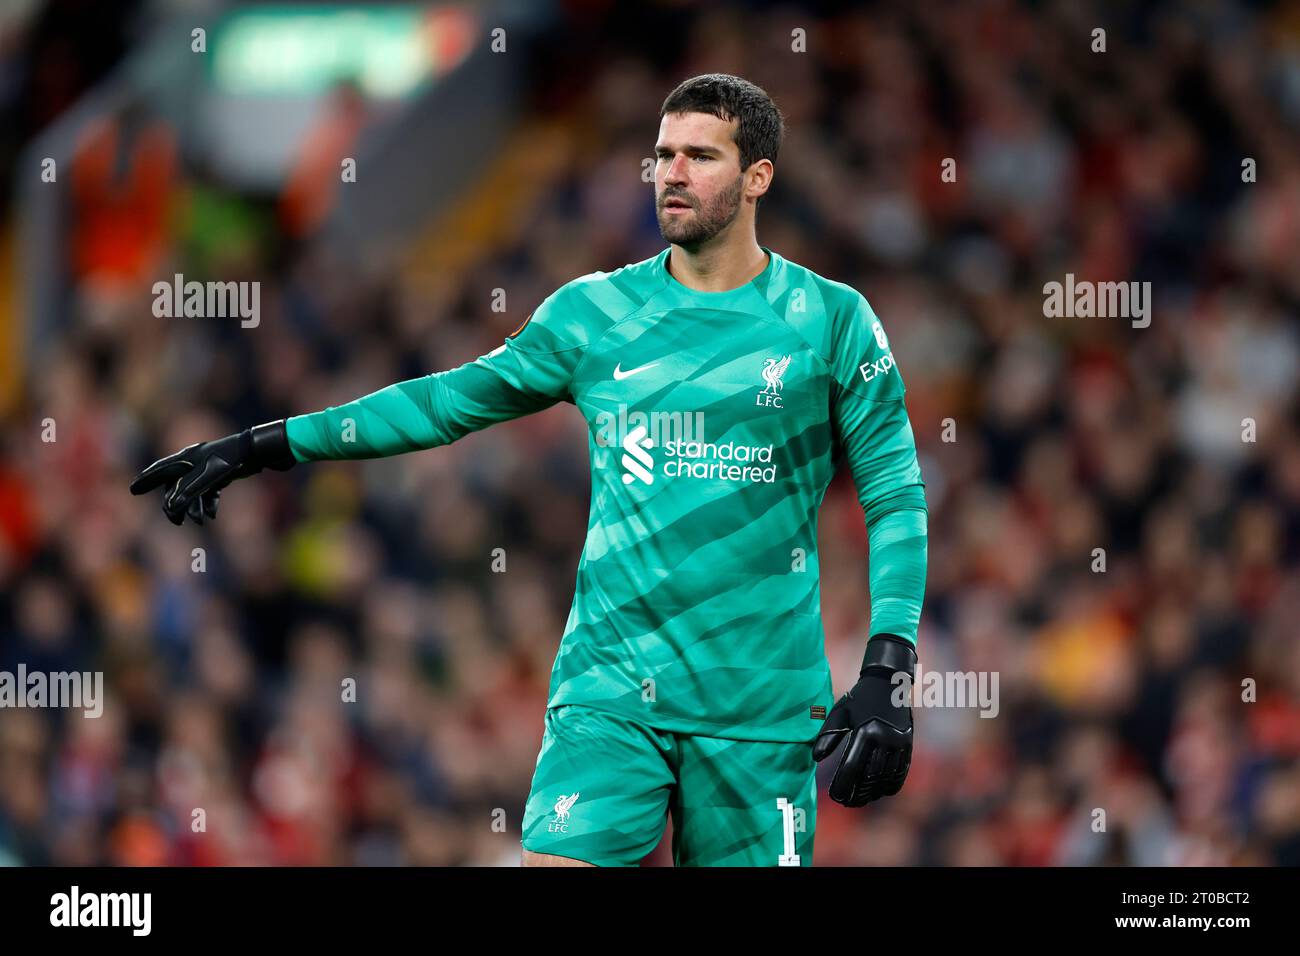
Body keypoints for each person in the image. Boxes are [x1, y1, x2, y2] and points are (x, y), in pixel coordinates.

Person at [130, 73, 929, 867]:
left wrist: (889, 664)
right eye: (662, 154)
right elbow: (444, 404)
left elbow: (896, 496)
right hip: (611, 696)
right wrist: (265, 443)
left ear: (758, 177)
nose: (671, 174)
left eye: (700, 155)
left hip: (758, 710)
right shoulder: (594, 315)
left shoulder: (830, 321)